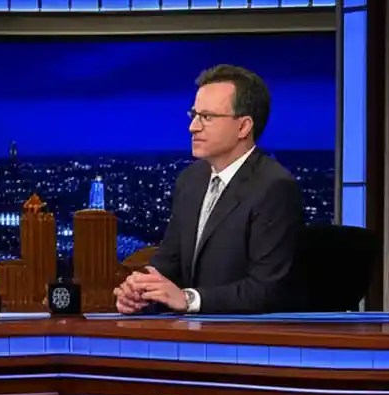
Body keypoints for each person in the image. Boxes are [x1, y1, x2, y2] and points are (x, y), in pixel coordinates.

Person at [115, 65, 303, 315]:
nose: (193, 126)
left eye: (207, 117)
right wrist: (140, 290)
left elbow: (266, 289)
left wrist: (189, 299)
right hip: (192, 335)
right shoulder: (190, 180)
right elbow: (169, 261)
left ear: (243, 127)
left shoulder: (274, 187)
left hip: (244, 343)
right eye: (194, 114)